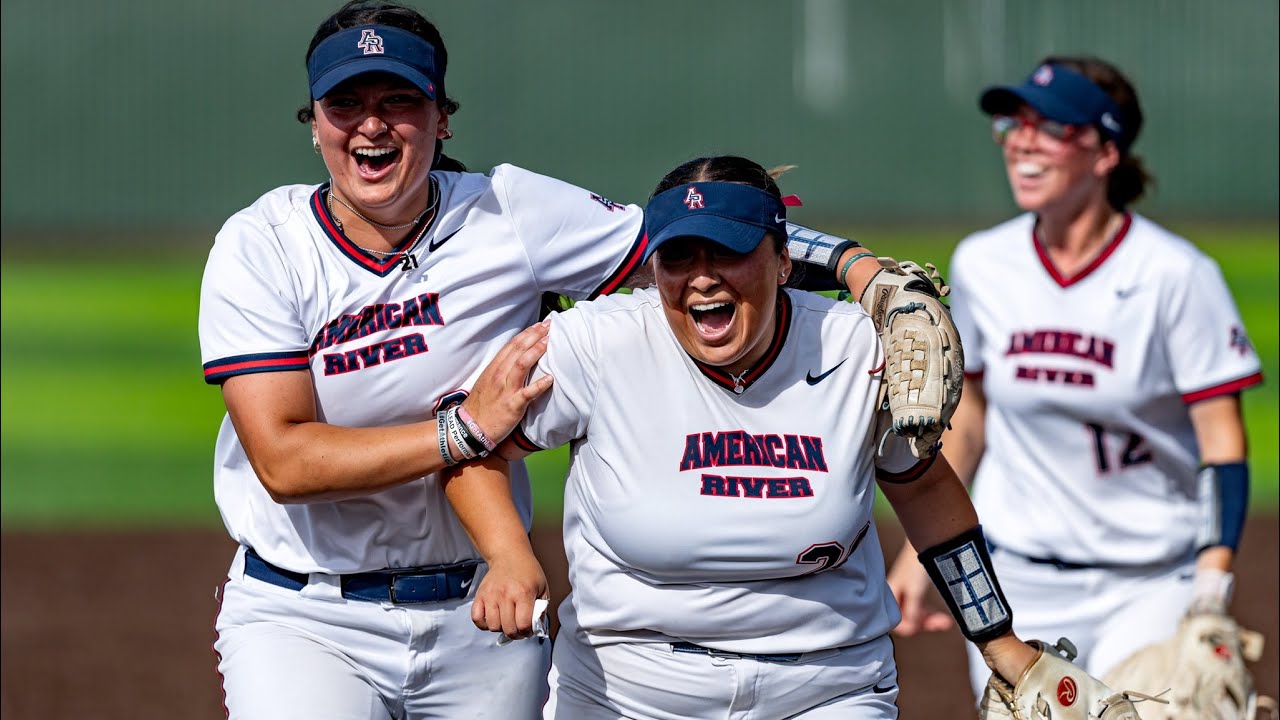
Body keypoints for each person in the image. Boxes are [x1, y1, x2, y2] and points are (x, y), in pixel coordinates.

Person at [198, 3, 897, 717]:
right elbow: (284, 462)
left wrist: (858, 267)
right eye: (344, 103)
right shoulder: (265, 244)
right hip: (308, 611)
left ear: (443, 119)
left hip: (482, 608)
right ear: (313, 123)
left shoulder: (512, 213)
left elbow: (697, 228)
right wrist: (461, 433)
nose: (372, 124)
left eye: (400, 100)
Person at [467, 153, 1123, 719]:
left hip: (827, 684)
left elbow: (924, 489)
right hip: (630, 687)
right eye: (680, 254)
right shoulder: (598, 343)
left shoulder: (856, 349)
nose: (702, 275)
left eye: (727, 250)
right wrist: (507, 554)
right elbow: (474, 449)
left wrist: (998, 640)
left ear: (784, 261)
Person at [886, 55, 1265, 707]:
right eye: (1015, 124)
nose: (1024, 141)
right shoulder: (985, 263)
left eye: (1052, 126)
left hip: (1149, 583)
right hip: (1020, 580)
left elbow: (1222, 443)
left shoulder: (1173, 274)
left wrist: (1211, 586)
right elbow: (969, 418)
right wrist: (922, 553)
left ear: (1105, 152)